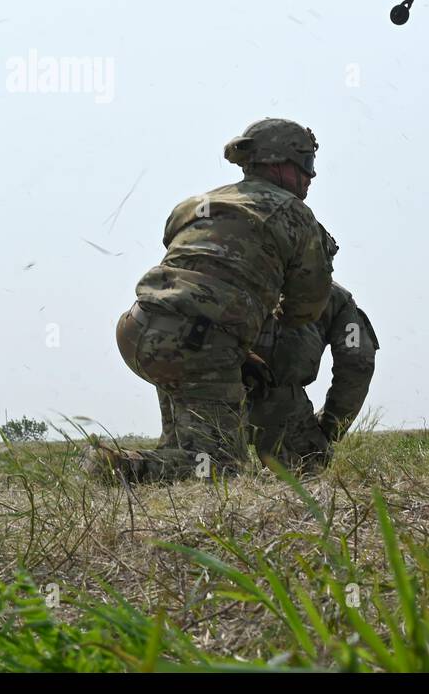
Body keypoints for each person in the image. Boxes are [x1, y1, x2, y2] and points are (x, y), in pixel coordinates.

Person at [90, 118, 333, 483]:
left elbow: (198, 266)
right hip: (197, 343)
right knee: (220, 468)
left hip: (142, 327)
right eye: (308, 165)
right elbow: (306, 308)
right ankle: (116, 467)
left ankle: (142, 480)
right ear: (281, 163)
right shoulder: (293, 213)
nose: (310, 178)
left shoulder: (196, 204)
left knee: (186, 449)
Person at [247, 266, 379, 473]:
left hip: (197, 395)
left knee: (197, 476)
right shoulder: (334, 297)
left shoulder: (216, 278)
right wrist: (331, 425)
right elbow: (357, 364)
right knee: (305, 471)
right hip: (278, 404)